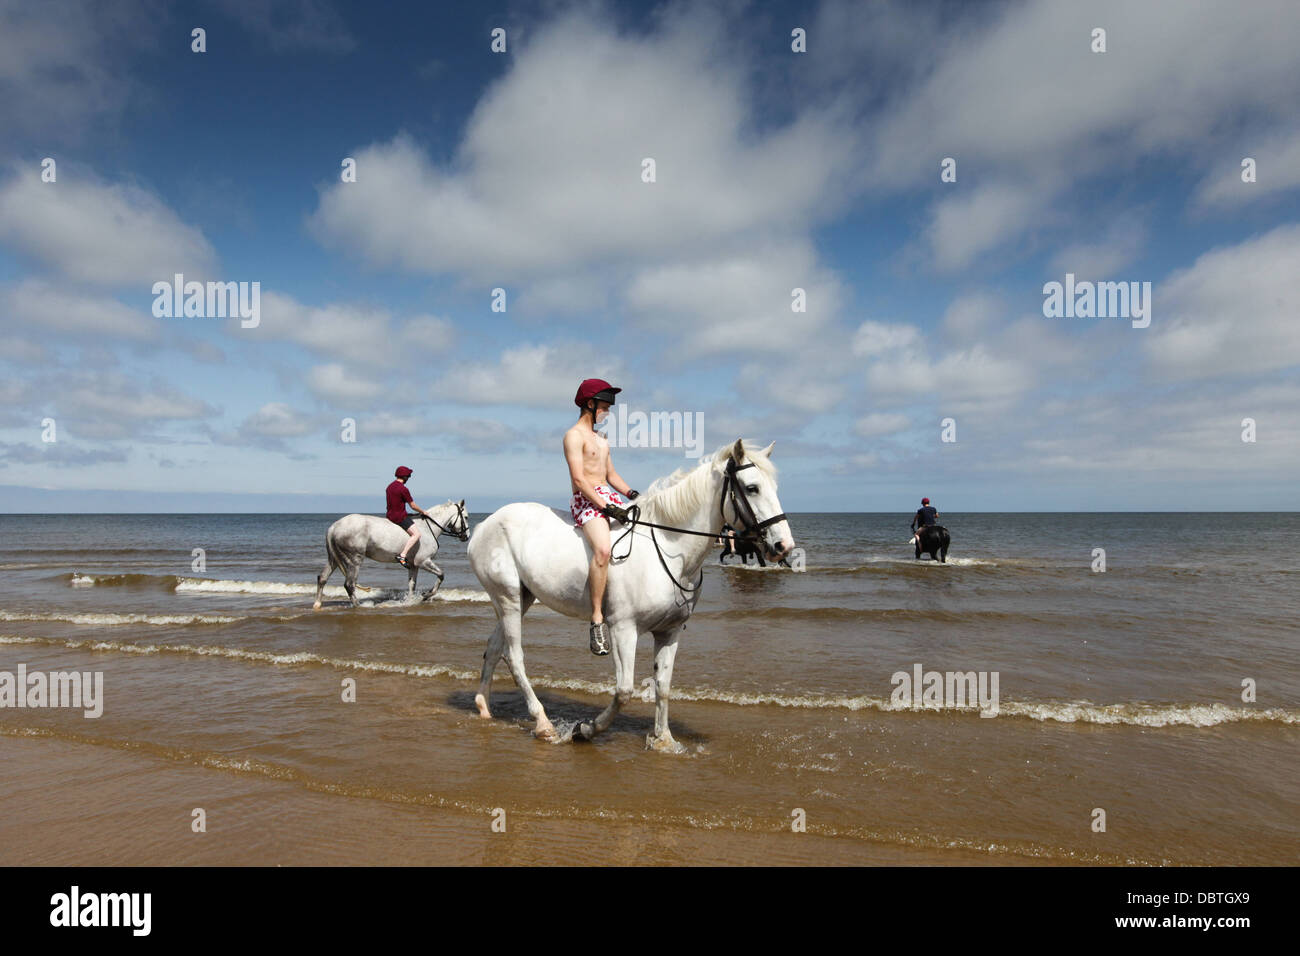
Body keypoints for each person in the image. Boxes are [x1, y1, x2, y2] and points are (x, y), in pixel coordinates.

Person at [564, 378, 639, 656]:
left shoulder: (602, 439)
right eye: (604, 407)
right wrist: (606, 508)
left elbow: (611, 475)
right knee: (603, 550)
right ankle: (596, 618)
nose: (607, 413)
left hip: (609, 496)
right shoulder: (573, 436)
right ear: (590, 404)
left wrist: (631, 494)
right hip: (587, 499)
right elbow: (579, 479)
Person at [387, 466, 430, 567]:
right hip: (399, 517)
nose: (409, 478)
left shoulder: (389, 487)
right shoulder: (403, 489)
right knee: (417, 534)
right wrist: (423, 511)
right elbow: (413, 505)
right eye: (408, 476)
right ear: (405, 477)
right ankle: (403, 555)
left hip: (390, 515)